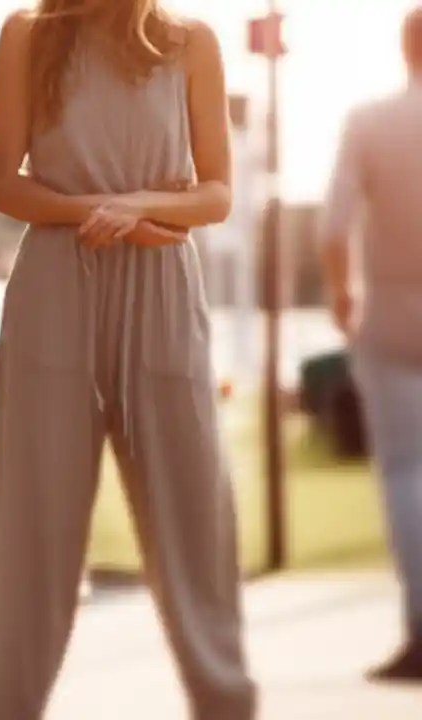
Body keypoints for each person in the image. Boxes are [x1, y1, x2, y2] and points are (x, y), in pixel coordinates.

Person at [0, 1, 256, 717]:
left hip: (162, 280)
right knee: (33, 525)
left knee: (194, 518)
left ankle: (225, 703)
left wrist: (137, 207)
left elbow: (218, 192)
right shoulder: (26, 36)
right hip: (55, 288)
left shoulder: (190, 43)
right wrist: (102, 210)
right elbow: (6, 184)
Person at [320, 6, 422, 683]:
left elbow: (333, 226)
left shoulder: (371, 121)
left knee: (406, 474)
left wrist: (342, 297)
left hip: (391, 307)